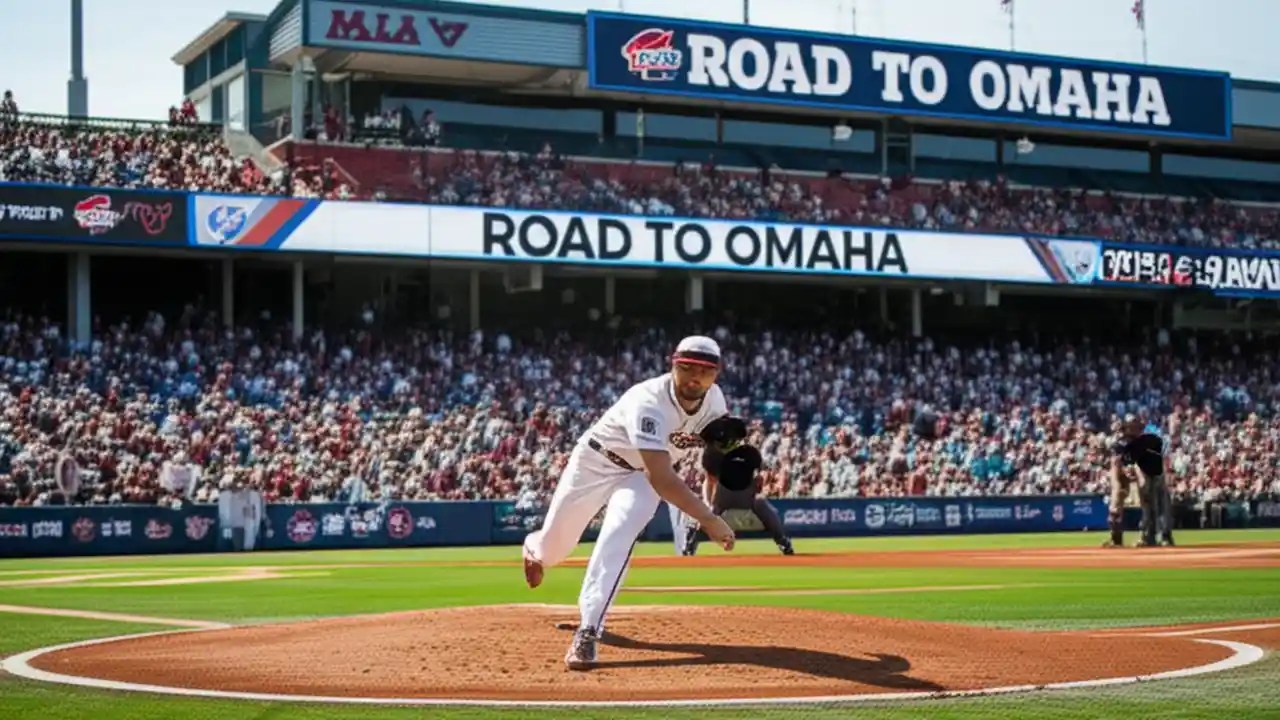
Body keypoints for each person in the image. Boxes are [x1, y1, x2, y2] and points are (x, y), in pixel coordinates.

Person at [520, 335, 737, 670]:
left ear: (717, 374)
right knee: (554, 550)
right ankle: (534, 547)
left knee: (619, 535)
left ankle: (589, 629)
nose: (695, 376)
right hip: (596, 461)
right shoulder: (649, 400)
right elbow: (663, 478)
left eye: (705, 371)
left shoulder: (715, 402)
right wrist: (708, 518)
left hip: (640, 477)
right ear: (673, 365)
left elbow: (715, 447)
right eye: (687, 367)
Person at [680, 420, 794, 556]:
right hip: (722, 497)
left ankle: (782, 541)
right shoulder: (713, 453)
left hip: (746, 495)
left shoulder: (750, 452)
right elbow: (708, 480)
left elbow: (765, 471)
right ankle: (691, 544)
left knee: (762, 503)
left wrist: (766, 484)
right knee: (709, 512)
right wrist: (707, 502)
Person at [1108, 415, 1175, 547]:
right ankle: (1116, 537)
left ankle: (1158, 535)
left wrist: (1143, 482)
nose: (1133, 429)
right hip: (1128, 470)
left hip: (1151, 470)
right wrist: (1118, 487)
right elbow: (1116, 465)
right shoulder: (1120, 442)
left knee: (1154, 500)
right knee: (1117, 501)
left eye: (1136, 426)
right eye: (1130, 426)